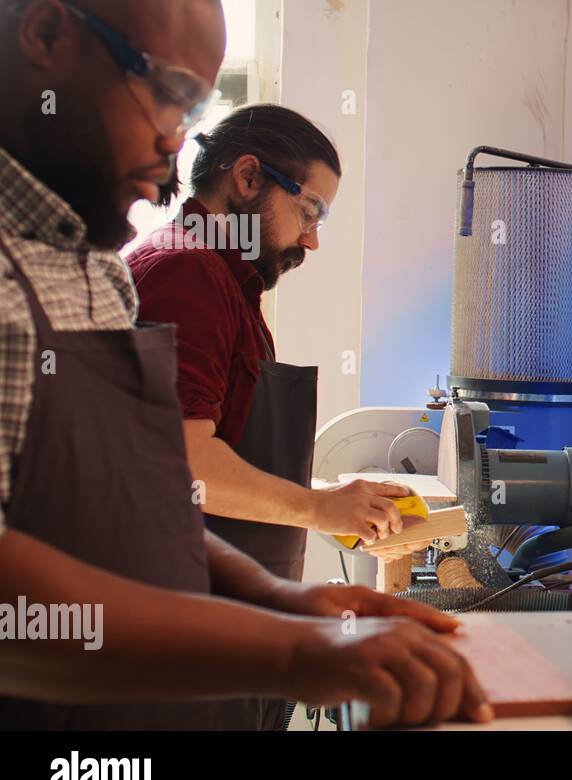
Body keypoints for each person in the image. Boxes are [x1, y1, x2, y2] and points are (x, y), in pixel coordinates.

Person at [0, 0, 491, 730]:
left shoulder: (93, 273)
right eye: (168, 95)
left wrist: (287, 601)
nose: (174, 146)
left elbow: (147, 504)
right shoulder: (180, 271)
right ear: (45, 35)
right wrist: (291, 647)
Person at [128, 104, 419, 589]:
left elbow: (227, 453)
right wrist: (317, 508)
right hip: (177, 603)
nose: (311, 241)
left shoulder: (226, 282)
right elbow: (186, 463)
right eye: (310, 212)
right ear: (247, 178)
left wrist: (342, 504)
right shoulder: (185, 272)